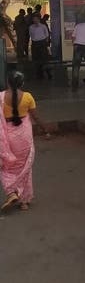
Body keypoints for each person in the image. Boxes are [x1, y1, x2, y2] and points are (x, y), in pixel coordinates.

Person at [0, 70, 49, 212]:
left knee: (6, 167)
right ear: (22, 83)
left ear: (8, 82)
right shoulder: (28, 97)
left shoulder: (1, 97)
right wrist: (46, 130)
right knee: (25, 168)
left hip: (7, 139)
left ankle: (12, 193)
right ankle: (24, 202)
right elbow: (36, 117)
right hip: (24, 137)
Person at [28, 11, 52, 79]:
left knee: (45, 59)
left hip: (42, 43)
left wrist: (46, 44)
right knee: (36, 59)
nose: (34, 20)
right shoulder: (31, 27)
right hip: (35, 43)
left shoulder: (43, 26)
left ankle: (48, 73)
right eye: (33, 19)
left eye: (36, 19)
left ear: (39, 19)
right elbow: (31, 35)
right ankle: (39, 74)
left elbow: (47, 35)